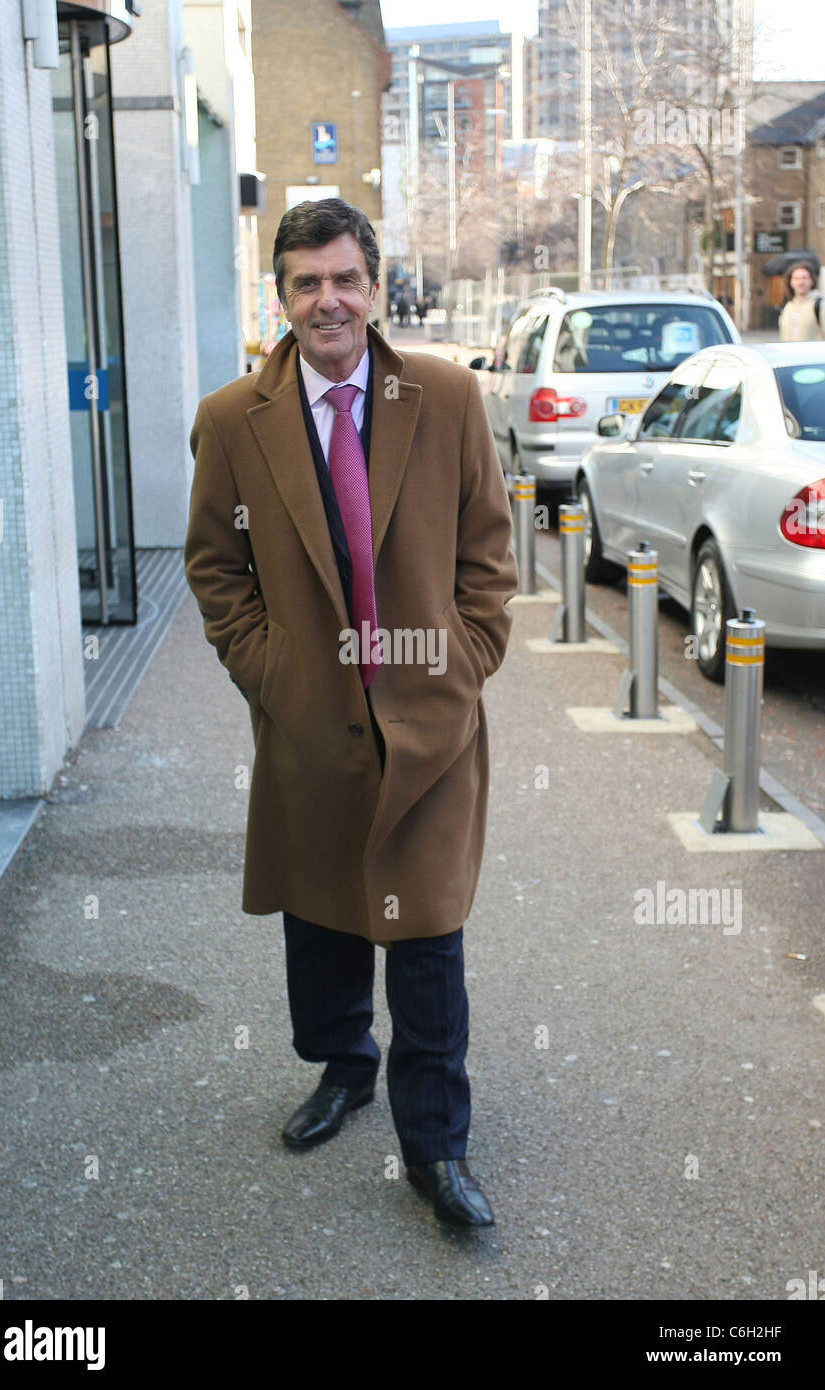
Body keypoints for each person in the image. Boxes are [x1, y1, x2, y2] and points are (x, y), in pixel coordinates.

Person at [183, 198, 517, 1230]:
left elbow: (489, 558)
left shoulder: (449, 397)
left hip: (427, 717)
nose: (327, 299)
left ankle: (437, 1147)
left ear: (373, 285)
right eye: (305, 282)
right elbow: (215, 566)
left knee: (424, 940)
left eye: (344, 278)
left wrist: (460, 662)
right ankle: (342, 1069)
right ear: (279, 296)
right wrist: (273, 672)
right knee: (323, 914)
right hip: (308, 718)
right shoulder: (233, 418)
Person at [778, 261, 825, 341]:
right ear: (790, 282)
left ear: (812, 281)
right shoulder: (788, 305)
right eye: (796, 278)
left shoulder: (821, 305)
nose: (800, 282)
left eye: (804, 278)